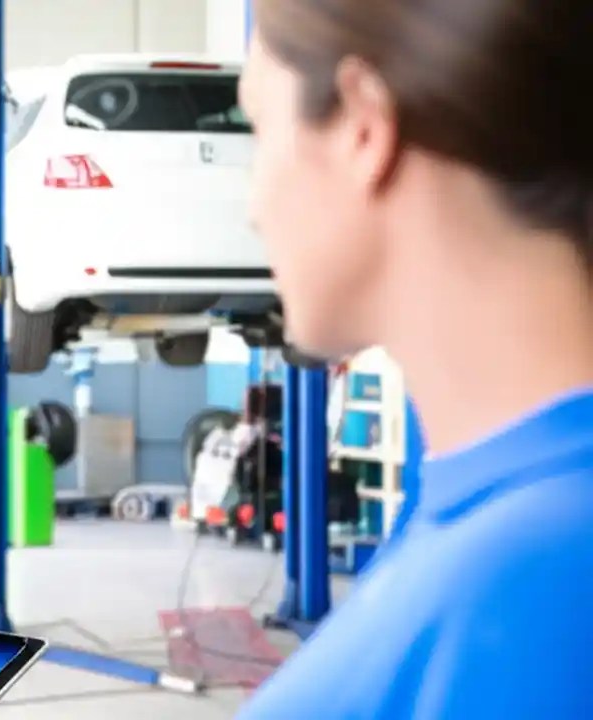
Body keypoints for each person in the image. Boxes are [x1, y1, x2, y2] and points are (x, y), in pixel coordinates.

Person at [236, 0, 593, 717]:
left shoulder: (515, 595)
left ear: (364, 127)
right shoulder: (490, 518)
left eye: (258, 129)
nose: (252, 205)